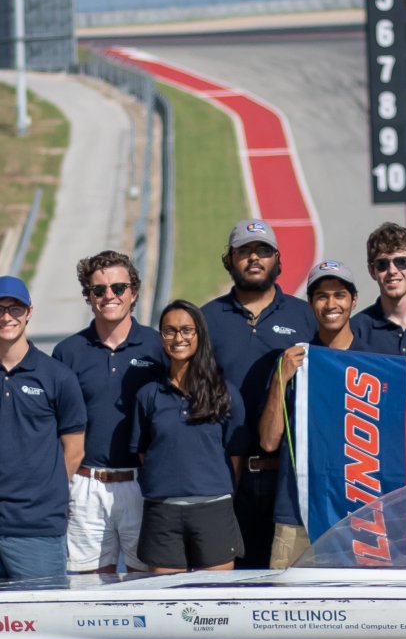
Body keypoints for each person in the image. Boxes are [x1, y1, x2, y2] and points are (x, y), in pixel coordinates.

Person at [0, 276, 86, 588]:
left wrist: (40, 491)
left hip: (37, 528)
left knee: (43, 627)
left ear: (29, 312)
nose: (6, 317)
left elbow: (74, 451)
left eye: (15, 309)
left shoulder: (57, 377)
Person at [201, 219, 314, 569]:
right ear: (229, 260)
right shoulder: (206, 319)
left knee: (286, 585)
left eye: (263, 251)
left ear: (277, 259)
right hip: (225, 478)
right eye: (244, 251)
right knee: (229, 587)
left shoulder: (306, 316)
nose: (254, 258)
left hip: (289, 480)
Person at [53, 251, 165, 576]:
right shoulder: (67, 352)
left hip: (143, 484)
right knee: (86, 586)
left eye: (118, 287)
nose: (109, 296)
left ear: (134, 292)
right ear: (88, 297)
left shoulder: (158, 347)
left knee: (145, 581)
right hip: (87, 484)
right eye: (98, 290)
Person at [261, 260, 363, 570]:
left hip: (358, 514)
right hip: (296, 514)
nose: (331, 304)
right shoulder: (293, 360)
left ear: (353, 300)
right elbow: (267, 441)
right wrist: (281, 379)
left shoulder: (375, 360)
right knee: (286, 613)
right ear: (310, 303)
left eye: (339, 295)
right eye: (322, 296)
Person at [133, 301, 245, 573]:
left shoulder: (224, 392)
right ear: (161, 338)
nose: (178, 338)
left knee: (217, 604)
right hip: (163, 513)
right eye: (169, 331)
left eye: (186, 330)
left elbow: (235, 454)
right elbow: (144, 451)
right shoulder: (148, 395)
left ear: (199, 334)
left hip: (213, 510)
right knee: (166, 606)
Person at [350, 222, 406, 354]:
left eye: (401, 262)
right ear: (372, 271)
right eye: (382, 264)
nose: (392, 271)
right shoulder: (356, 330)